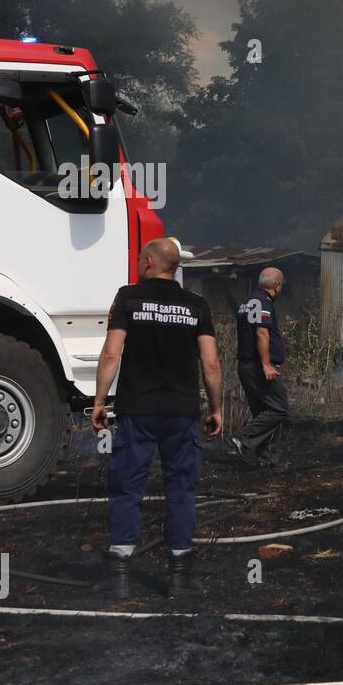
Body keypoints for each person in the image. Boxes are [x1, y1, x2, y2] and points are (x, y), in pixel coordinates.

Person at [92, 237, 221, 600]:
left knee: (127, 486)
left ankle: (118, 577)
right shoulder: (197, 305)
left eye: (139, 258)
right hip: (181, 412)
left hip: (138, 410)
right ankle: (179, 578)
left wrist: (100, 400)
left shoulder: (128, 298)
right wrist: (216, 408)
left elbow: (110, 354)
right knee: (181, 488)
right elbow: (210, 363)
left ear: (149, 261)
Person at [230, 268, 290, 468]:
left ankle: (261, 457)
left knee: (262, 413)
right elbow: (262, 334)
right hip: (257, 367)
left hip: (246, 366)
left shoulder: (248, 302)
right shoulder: (263, 302)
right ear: (277, 286)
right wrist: (266, 364)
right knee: (279, 408)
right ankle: (244, 438)